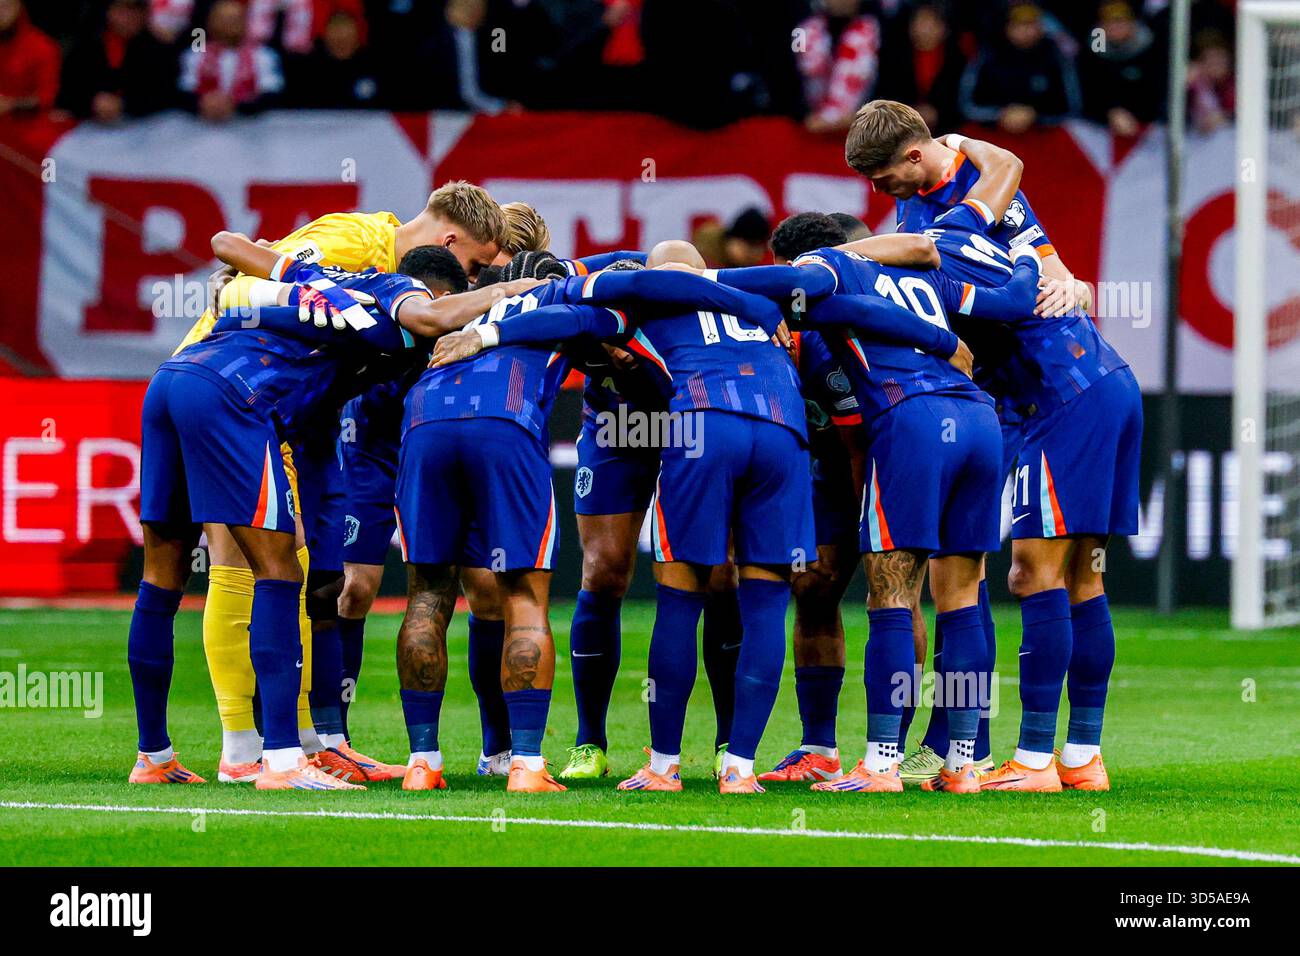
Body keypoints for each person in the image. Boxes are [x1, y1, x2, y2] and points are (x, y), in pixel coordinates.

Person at [179, 182, 507, 783]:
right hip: (236, 387)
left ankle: (308, 741)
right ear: (449, 239)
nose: (475, 280)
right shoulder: (356, 240)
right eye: (477, 267)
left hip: (291, 410)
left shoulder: (387, 264)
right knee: (243, 562)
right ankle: (242, 747)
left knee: (303, 573)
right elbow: (237, 275)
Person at [704, 212, 1043, 794]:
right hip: (978, 418)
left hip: (910, 422)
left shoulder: (829, 268)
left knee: (892, 594)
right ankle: (964, 764)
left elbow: (799, 292)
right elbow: (1013, 298)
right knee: (961, 595)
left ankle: (881, 763)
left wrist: (693, 279)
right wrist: (1033, 253)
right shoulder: (923, 279)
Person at [957, 1, 1081, 133]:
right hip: (993, 133)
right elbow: (967, 105)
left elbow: (1071, 106)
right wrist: (1000, 114)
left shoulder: (1056, 54)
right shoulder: (987, 54)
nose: (1026, 30)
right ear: (1007, 27)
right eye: (1019, 25)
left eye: (1031, 24)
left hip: (1042, 134)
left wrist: (1033, 115)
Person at [57, 0, 176, 122]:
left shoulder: (158, 49)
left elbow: (166, 94)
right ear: (108, 12)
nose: (130, 17)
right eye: (122, 11)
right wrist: (92, 102)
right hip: (91, 126)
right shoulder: (87, 47)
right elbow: (67, 92)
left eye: (136, 11)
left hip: (143, 126)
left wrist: (125, 104)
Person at [177, 0, 284, 123]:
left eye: (235, 19)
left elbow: (271, 95)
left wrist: (235, 105)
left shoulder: (264, 55)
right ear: (211, 22)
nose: (229, 24)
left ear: (245, 22)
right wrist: (204, 104)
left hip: (250, 128)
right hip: (202, 129)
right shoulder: (194, 55)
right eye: (223, 19)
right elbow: (184, 92)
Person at [0, 0, 60, 118]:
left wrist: (10, 105)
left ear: (19, 7)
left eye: (5, 6)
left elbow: (46, 98)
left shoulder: (42, 47)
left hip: (27, 127)